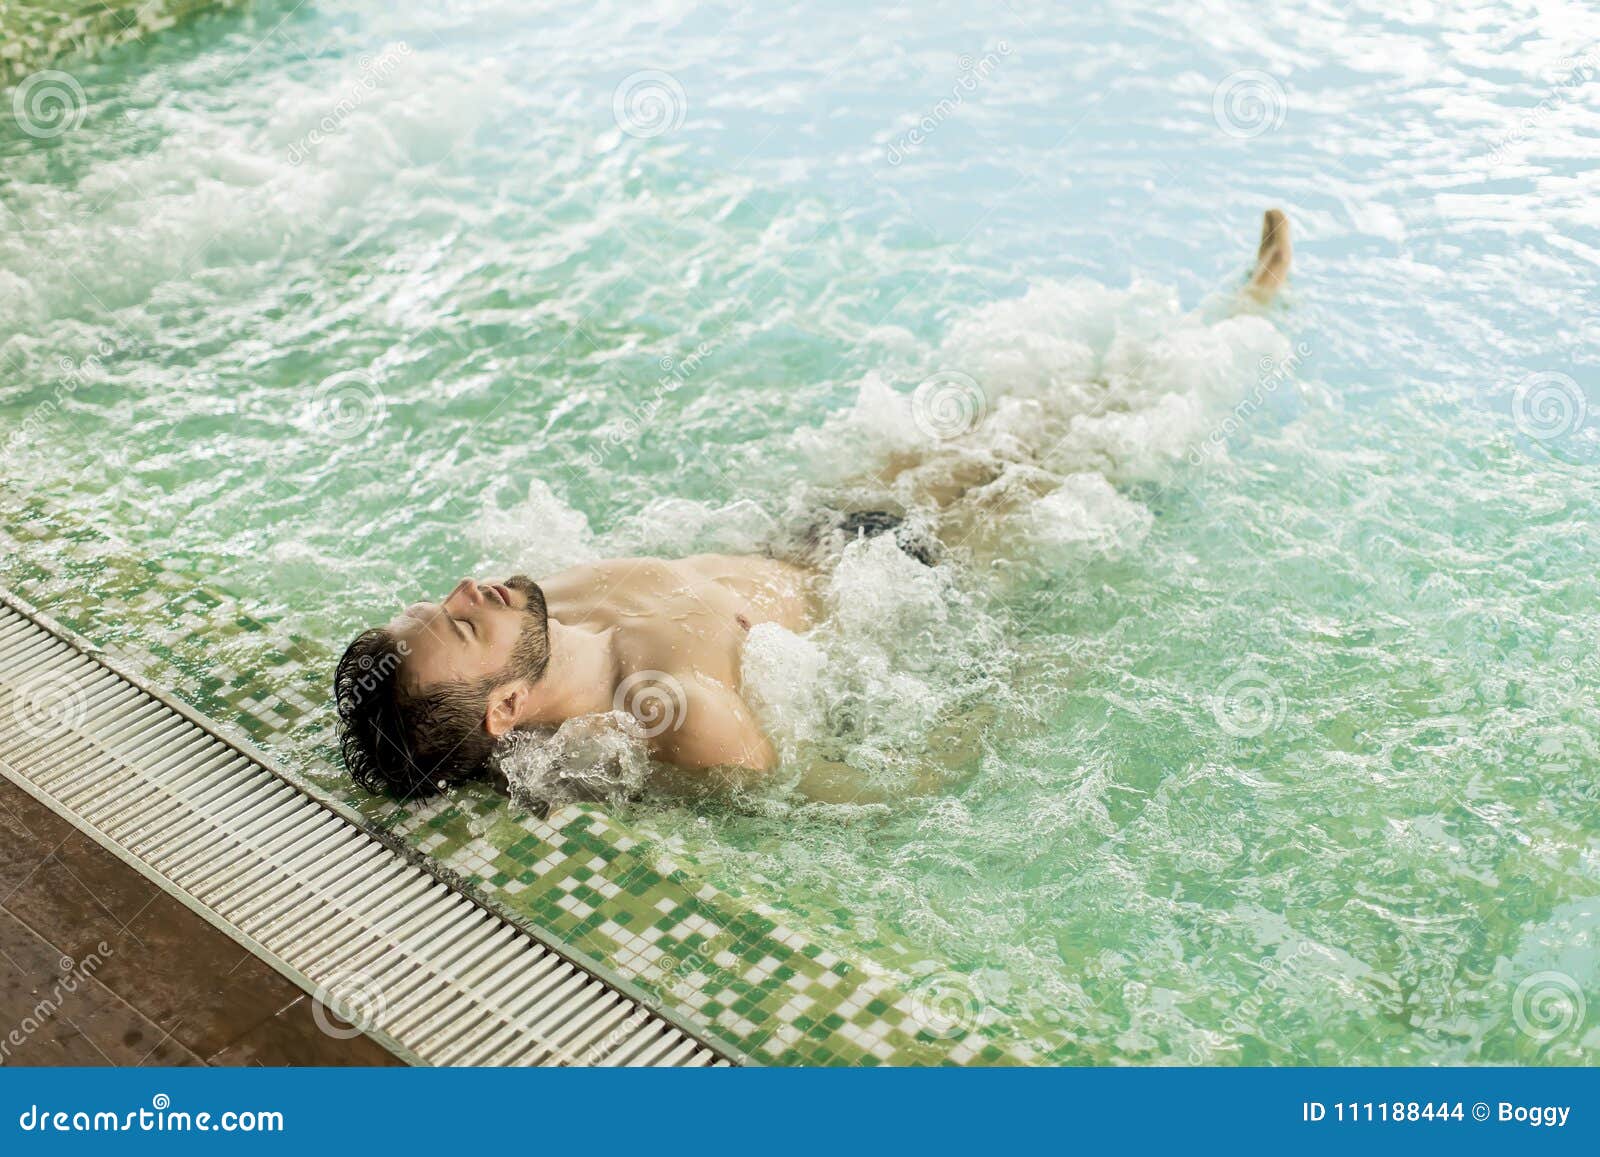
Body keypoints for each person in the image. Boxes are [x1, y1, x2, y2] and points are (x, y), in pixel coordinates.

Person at [335, 211, 1291, 799]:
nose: (469, 589)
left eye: (438, 603)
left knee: (1013, 412)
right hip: (912, 577)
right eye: (464, 626)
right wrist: (1020, 694)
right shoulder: (672, 713)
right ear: (507, 706)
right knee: (1090, 453)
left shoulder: (542, 607)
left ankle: (1214, 316)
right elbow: (864, 791)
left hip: (820, 533)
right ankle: (1242, 315)